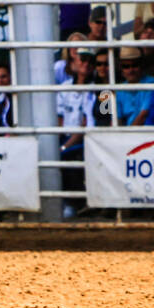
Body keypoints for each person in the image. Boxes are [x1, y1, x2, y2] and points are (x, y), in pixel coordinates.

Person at [57, 49, 97, 215]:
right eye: (83, 59)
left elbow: (88, 123)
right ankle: (69, 202)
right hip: (65, 137)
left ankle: (75, 203)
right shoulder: (64, 87)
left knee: (65, 155)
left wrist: (64, 146)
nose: (86, 64)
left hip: (87, 138)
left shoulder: (100, 90)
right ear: (73, 63)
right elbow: (58, 117)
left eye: (90, 61)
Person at [115, 47, 154, 126]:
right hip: (130, 134)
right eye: (126, 66)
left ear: (141, 66)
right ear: (121, 69)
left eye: (135, 65)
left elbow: (144, 115)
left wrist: (127, 136)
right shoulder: (119, 90)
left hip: (150, 132)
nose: (131, 70)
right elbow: (118, 119)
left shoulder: (152, 83)